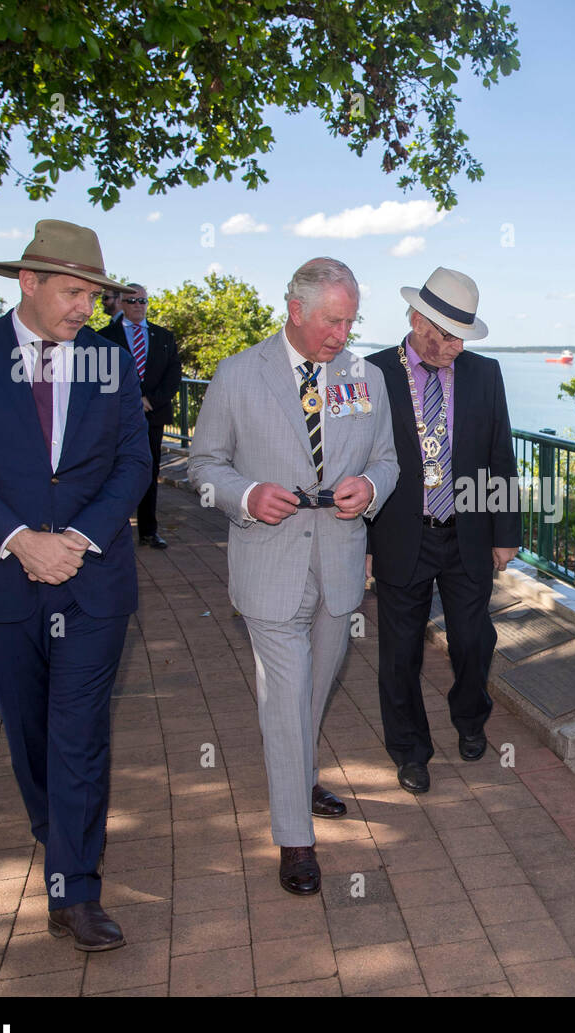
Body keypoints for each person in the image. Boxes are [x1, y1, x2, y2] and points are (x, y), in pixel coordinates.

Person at [0, 220, 151, 951]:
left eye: (95, 294)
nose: (87, 306)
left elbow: (133, 464)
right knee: (29, 735)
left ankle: (74, 888)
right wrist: (22, 541)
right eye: (74, 291)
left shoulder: (110, 360)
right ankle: (59, 833)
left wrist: (77, 540)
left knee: (79, 732)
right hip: (2, 577)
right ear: (28, 282)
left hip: (92, 578)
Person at [189, 257, 397, 896]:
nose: (343, 334)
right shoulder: (237, 374)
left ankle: (299, 773)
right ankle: (295, 839)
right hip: (269, 565)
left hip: (339, 564)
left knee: (312, 692)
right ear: (296, 310)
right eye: (334, 320)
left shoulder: (365, 377)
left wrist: (371, 486)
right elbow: (202, 464)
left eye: (351, 320)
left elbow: (388, 459)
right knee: (285, 697)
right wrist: (246, 495)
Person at [366, 267, 519, 794]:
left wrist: (506, 532)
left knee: (474, 641)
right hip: (399, 534)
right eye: (445, 335)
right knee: (399, 653)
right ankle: (410, 749)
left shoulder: (485, 375)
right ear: (416, 319)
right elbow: (355, 463)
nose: (454, 348)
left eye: (461, 338)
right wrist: (361, 543)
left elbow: (500, 454)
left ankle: (470, 717)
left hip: (468, 533)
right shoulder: (370, 374)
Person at [102, 283, 182, 549]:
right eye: (132, 300)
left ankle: (149, 531)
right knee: (114, 472)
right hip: (116, 417)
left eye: (143, 301)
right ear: (122, 303)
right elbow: (102, 379)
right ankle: (113, 530)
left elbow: (172, 378)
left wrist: (149, 401)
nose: (138, 305)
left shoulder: (164, 338)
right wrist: (130, 401)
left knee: (149, 472)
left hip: (152, 417)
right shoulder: (104, 337)